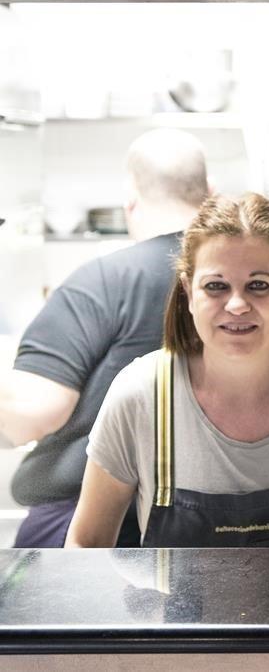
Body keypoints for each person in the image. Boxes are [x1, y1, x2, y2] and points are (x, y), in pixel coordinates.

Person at [64, 193, 269, 548]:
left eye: (259, 285)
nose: (236, 305)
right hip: (170, 607)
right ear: (188, 291)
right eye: (216, 286)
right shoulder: (140, 394)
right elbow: (86, 547)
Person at [0, 128, 210, 548]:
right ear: (210, 195)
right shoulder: (245, 287)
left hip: (91, 527)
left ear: (129, 199)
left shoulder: (105, 280)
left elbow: (37, 410)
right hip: (211, 525)